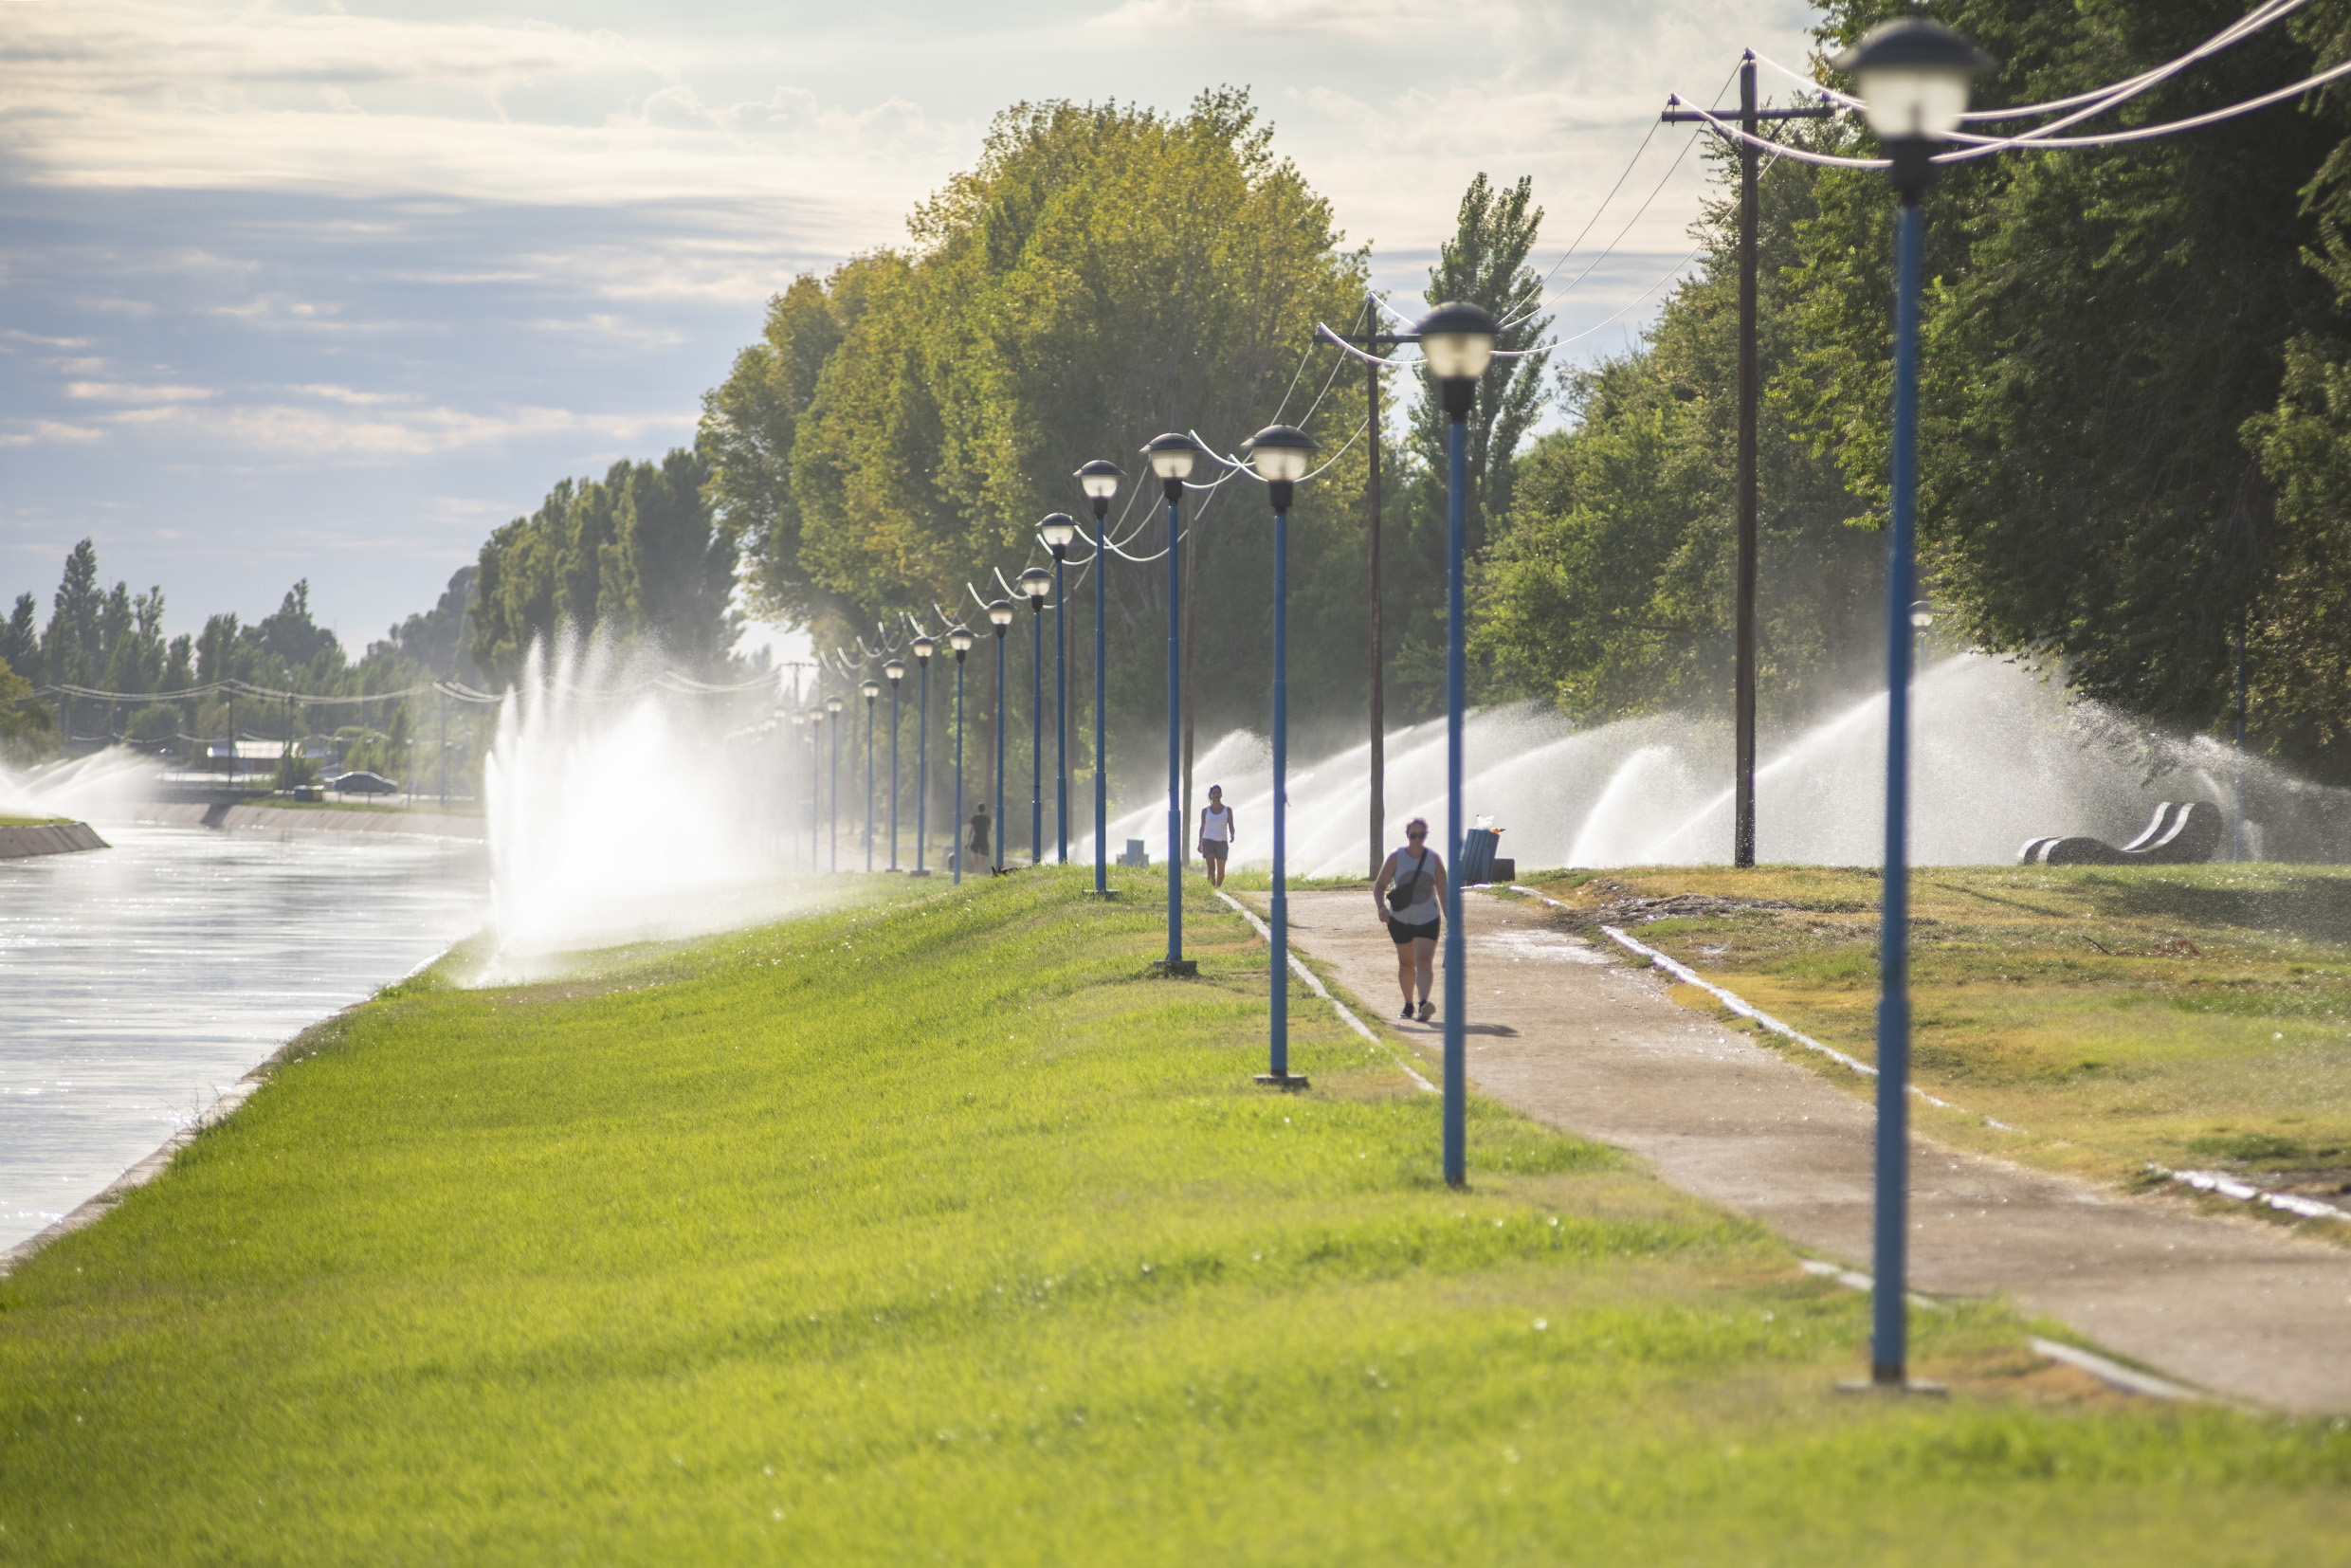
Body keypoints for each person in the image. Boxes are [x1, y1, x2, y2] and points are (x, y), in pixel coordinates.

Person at [1373, 817, 1445, 1023]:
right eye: (1413, 835)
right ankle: (1408, 1004)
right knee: (1406, 964)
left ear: (1425, 836)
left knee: (1424, 962)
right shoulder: (1397, 857)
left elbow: (1443, 891)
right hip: (1400, 919)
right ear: (1407, 836)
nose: (1417, 840)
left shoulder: (1434, 859)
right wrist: (1381, 908)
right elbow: (1379, 887)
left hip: (1428, 918)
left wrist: (1451, 917)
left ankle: (1423, 1004)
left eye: (1421, 835)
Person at [1197, 784, 1235, 889]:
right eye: (1214, 793)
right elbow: (1202, 827)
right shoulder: (1205, 811)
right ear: (1210, 796)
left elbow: (1231, 826)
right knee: (1211, 869)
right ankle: (1211, 891)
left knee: (1221, 873)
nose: (1216, 794)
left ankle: (1217, 888)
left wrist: (1232, 834)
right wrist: (1200, 843)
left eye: (1218, 792)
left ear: (1221, 794)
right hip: (1208, 841)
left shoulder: (1227, 810)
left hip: (1222, 842)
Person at [968, 801, 992, 873]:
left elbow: (971, 830)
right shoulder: (987, 818)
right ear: (984, 809)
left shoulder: (974, 818)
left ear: (978, 809)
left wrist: (968, 840)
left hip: (976, 838)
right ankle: (982, 871)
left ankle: (976, 871)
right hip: (984, 838)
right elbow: (989, 829)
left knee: (976, 857)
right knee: (983, 856)